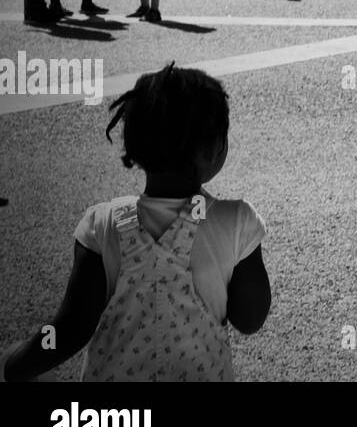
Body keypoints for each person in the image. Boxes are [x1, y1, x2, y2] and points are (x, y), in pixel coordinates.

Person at [2, 63, 270, 382]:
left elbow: (70, 330)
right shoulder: (235, 221)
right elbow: (250, 319)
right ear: (214, 150)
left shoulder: (103, 224)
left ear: (136, 148)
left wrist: (12, 366)